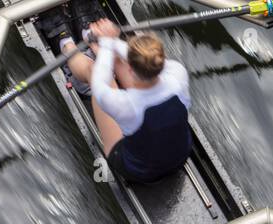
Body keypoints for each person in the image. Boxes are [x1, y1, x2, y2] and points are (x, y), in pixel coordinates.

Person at [53, 13, 193, 184]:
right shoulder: (178, 73)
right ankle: (89, 37)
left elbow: (99, 83)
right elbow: (140, 59)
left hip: (137, 170)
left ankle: (64, 42)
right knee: (119, 61)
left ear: (132, 72)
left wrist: (106, 44)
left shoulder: (127, 105)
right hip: (181, 155)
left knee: (93, 70)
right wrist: (109, 43)